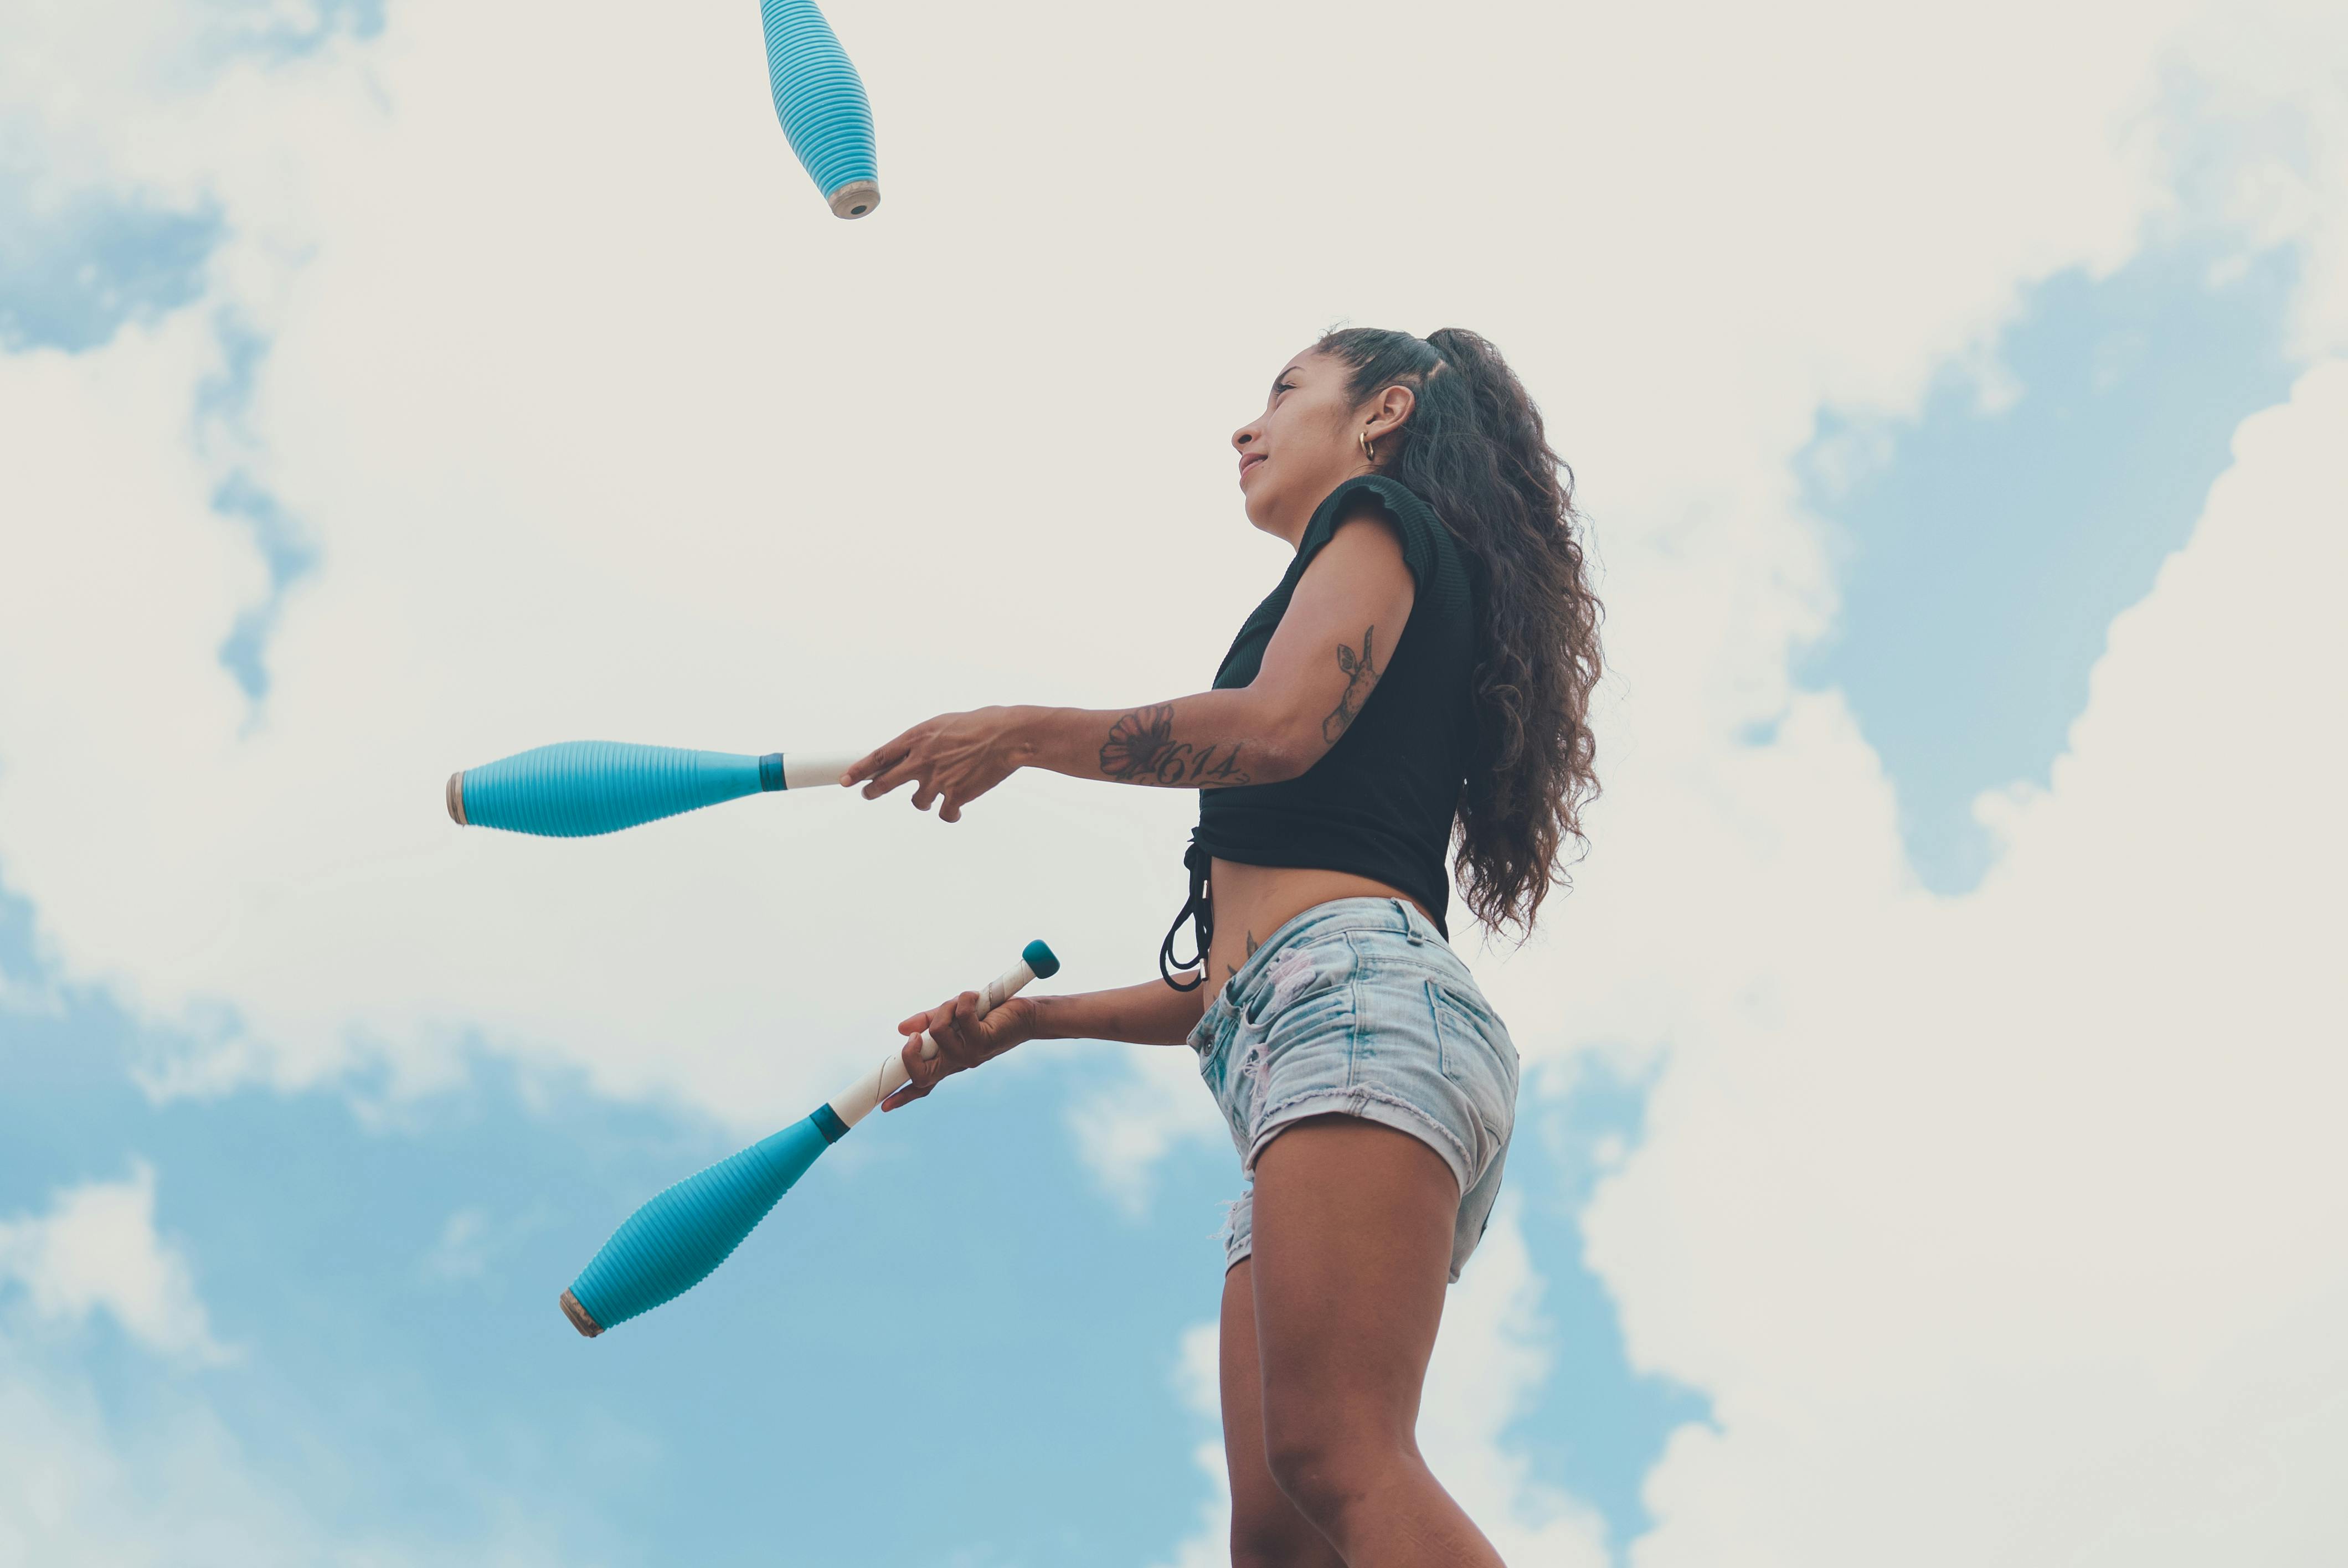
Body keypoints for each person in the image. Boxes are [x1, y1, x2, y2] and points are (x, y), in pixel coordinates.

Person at [843, 327, 1602, 1568]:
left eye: (1283, 393)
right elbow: (1228, 982)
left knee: (1336, 1456)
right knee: (1282, 1534)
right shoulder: (1370, 563)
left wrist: (1024, 731)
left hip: (1355, 1007)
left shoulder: (1373, 522)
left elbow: (1275, 731)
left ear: (1382, 415)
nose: (1245, 427)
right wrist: (1029, 1022)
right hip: (1308, 1026)